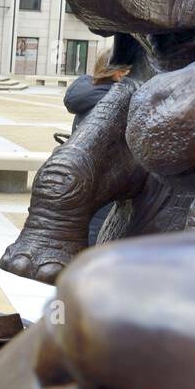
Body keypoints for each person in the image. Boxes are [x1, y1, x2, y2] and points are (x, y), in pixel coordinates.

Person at [62, 50, 132, 244]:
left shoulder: (87, 95)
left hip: (79, 179)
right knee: (97, 237)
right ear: (120, 74)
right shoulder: (115, 103)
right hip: (104, 182)